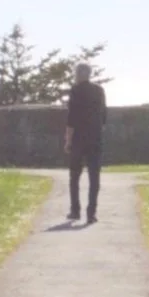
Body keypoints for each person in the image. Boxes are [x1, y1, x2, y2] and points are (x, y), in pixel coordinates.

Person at [64, 63, 107, 223]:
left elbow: (71, 118)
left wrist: (68, 140)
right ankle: (91, 213)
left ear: (77, 74)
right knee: (94, 176)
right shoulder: (99, 90)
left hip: (78, 139)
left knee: (74, 176)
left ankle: (75, 210)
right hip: (95, 137)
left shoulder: (75, 91)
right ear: (89, 74)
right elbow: (104, 116)